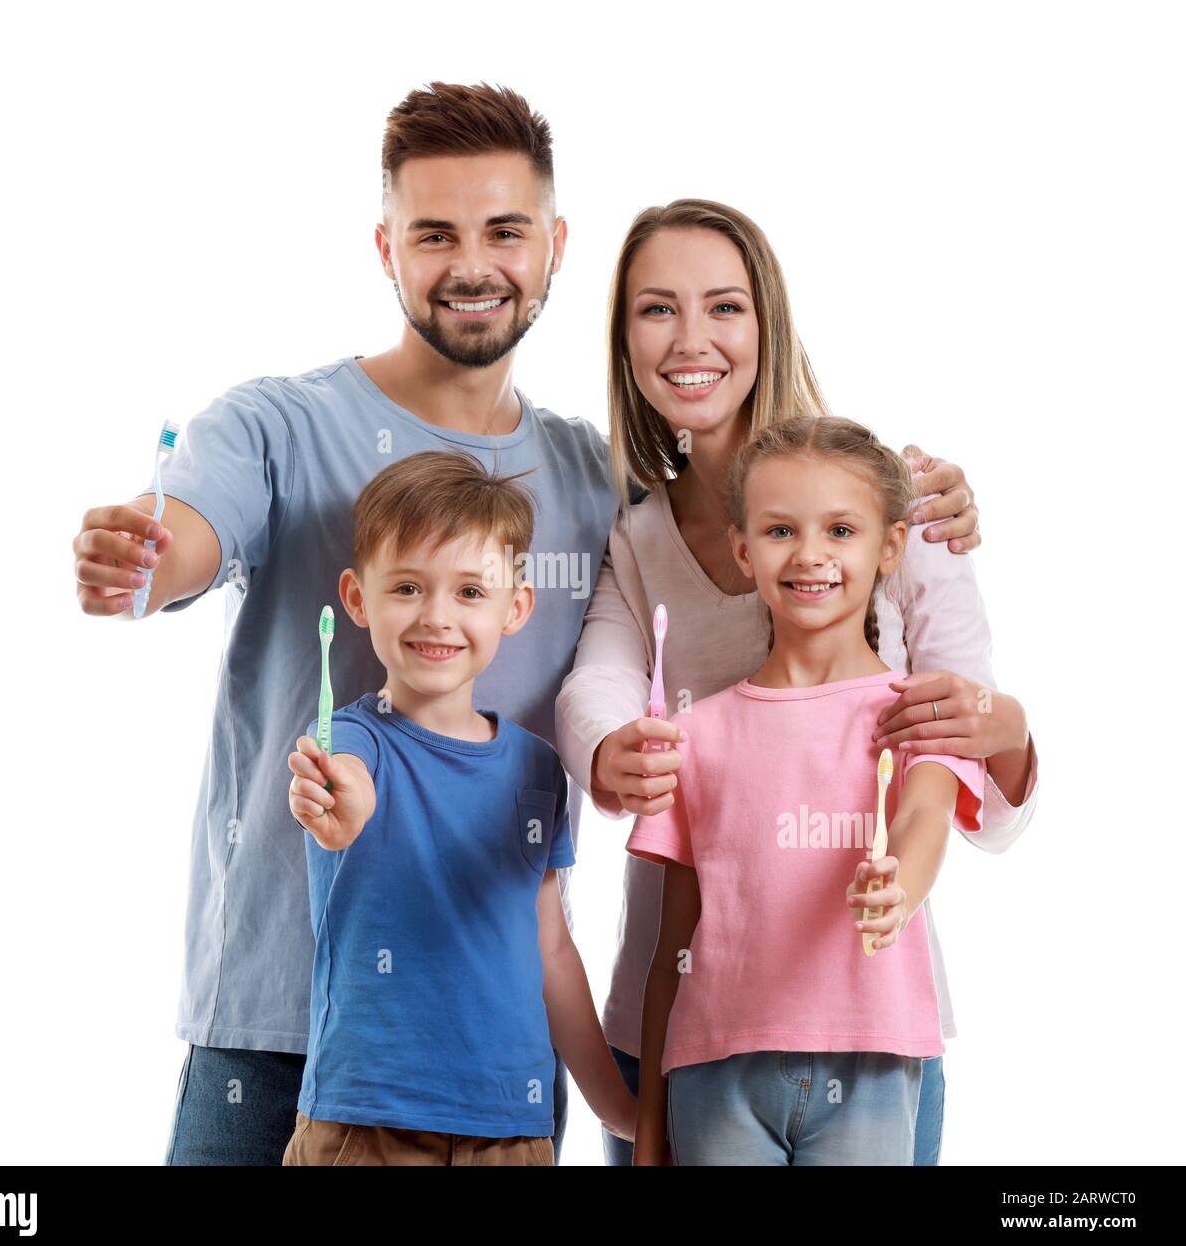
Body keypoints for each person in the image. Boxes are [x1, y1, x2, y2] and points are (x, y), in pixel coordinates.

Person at [70, 83, 981, 1165]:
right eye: (433, 233)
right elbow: (185, 538)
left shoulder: (596, 482)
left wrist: (909, 508)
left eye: (504, 231)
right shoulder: (277, 425)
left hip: (503, 1064)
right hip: (279, 1031)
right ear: (385, 247)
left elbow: (794, 558)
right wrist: (139, 556)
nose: (472, 264)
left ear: (552, 248)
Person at [553, 199, 1038, 1166]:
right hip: (688, 1017)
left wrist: (1005, 723)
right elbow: (591, 690)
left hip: (868, 1017)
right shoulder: (636, 536)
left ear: (767, 323)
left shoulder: (893, 501)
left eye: (724, 307)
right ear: (623, 340)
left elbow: (966, 761)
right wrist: (614, 750)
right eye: (657, 310)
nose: (692, 339)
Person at [630, 414, 985, 1166]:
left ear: (890, 546)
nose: (811, 555)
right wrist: (651, 1127)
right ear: (743, 548)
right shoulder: (698, 736)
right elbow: (673, 950)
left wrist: (900, 886)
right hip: (713, 1070)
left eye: (841, 530)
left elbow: (924, 810)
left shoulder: (918, 707)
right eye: (781, 530)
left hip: (873, 1062)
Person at [281, 451, 633, 1166]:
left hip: (512, 1129)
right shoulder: (351, 738)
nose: (436, 616)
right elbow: (347, 784)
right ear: (356, 597)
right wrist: (336, 804)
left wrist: (617, 1109)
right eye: (407, 586)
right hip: (365, 1123)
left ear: (517, 607)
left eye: (470, 591)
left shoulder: (539, 767)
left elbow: (552, 946)